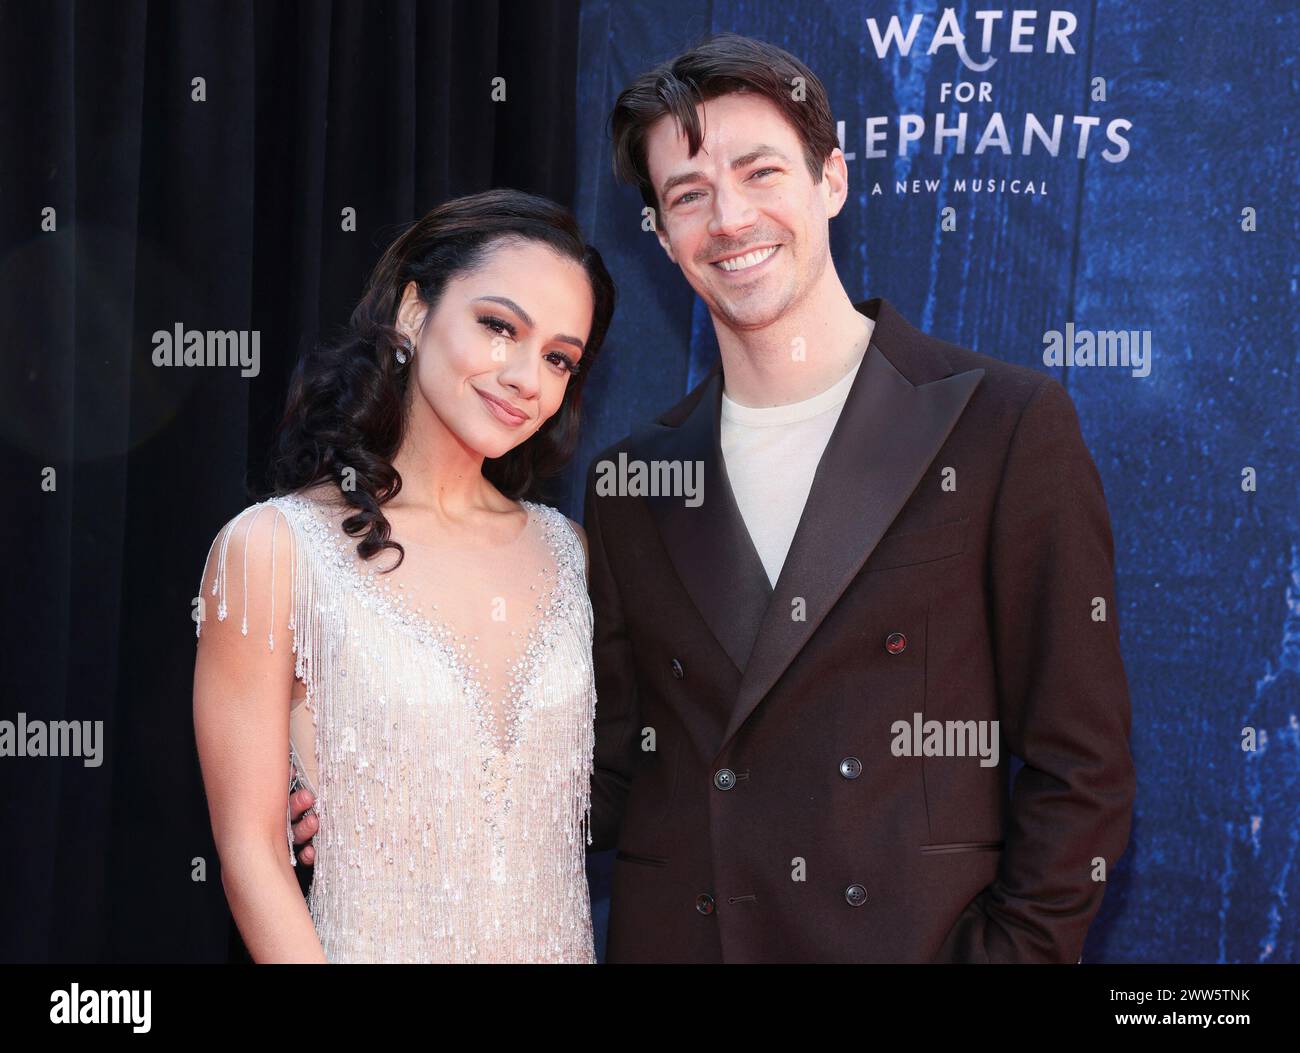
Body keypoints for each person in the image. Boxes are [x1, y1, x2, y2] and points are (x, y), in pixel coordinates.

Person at [294, 32, 1136, 964]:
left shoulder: (1004, 424)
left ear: (833, 182)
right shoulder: (630, 484)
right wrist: (388, 802)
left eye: (760, 171)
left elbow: (1081, 768)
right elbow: (605, 774)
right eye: (688, 195)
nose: (728, 218)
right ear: (661, 237)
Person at [192, 188, 616, 962]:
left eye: (559, 357)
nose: (527, 376)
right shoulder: (274, 550)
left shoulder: (571, 552)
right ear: (415, 314)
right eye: (498, 326)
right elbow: (252, 855)